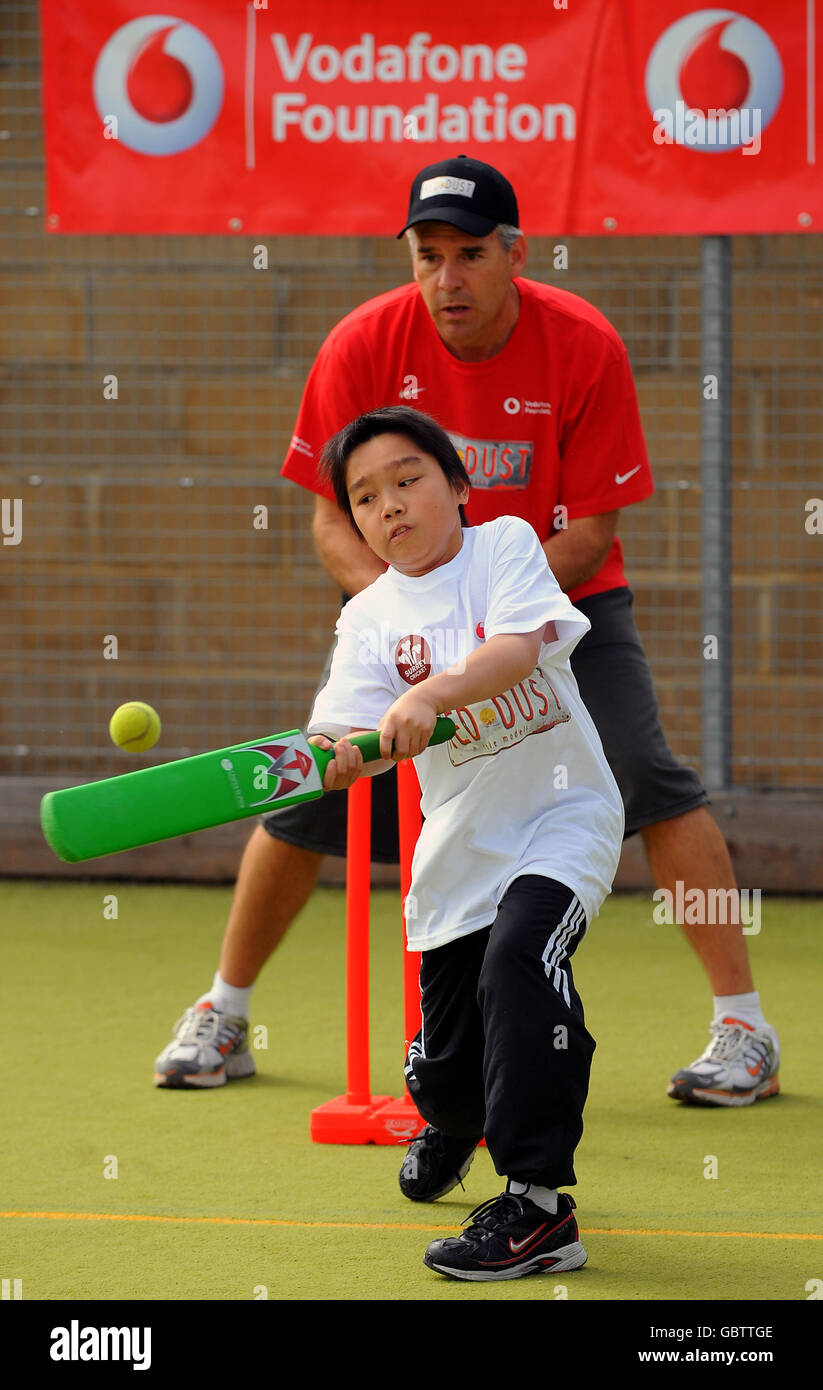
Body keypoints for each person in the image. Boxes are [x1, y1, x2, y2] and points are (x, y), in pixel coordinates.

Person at [154, 155, 779, 1111]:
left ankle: (743, 1026)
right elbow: (329, 520)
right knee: (318, 785)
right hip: (409, 621)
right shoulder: (364, 344)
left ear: (515, 253)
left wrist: (489, 629)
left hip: (559, 609)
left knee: (647, 779)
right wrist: (414, 619)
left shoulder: (582, 344)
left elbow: (593, 531)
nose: (448, 278)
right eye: (427, 254)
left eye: (471, 254)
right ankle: (224, 1010)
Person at [309, 404, 623, 1280]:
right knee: (446, 1077)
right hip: (456, 854)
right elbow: (342, 738)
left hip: (561, 821)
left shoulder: (504, 548)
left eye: (408, 480)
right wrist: (338, 758)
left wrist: (429, 696)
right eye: (365, 497)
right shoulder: (367, 615)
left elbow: (520, 649)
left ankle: (536, 1206)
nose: (390, 506)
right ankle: (453, 1121)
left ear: (456, 485)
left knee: (520, 962)